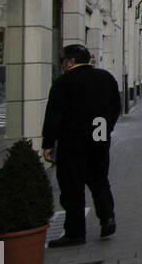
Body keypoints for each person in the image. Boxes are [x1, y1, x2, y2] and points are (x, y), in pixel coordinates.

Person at [42, 44, 120, 246]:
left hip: (73, 139)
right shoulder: (105, 78)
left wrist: (48, 143)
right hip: (99, 134)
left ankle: (75, 232)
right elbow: (115, 107)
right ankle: (107, 218)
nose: (62, 65)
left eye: (63, 61)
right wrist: (105, 129)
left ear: (71, 61)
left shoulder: (63, 83)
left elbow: (54, 115)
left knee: (72, 187)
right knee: (100, 180)